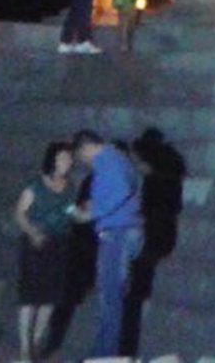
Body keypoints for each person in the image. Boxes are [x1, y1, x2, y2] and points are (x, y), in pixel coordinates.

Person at [70, 129, 143, 360]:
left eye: (83, 158)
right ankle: (102, 352)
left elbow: (121, 189)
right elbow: (120, 188)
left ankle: (105, 355)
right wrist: (93, 204)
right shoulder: (117, 158)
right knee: (112, 297)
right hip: (124, 231)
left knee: (110, 298)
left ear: (85, 148)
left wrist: (93, 213)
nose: (85, 162)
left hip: (117, 234)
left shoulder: (106, 161)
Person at [9, 140, 74, 361]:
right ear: (53, 160)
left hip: (59, 244)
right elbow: (19, 213)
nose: (67, 162)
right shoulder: (36, 185)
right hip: (36, 244)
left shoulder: (69, 186)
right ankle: (24, 349)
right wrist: (33, 232)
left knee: (49, 298)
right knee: (30, 297)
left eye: (69, 158)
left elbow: (70, 211)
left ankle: (36, 341)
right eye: (63, 158)